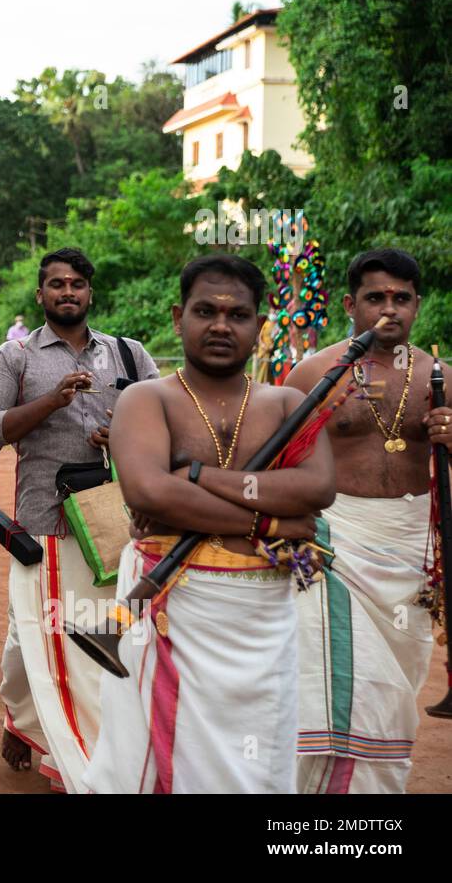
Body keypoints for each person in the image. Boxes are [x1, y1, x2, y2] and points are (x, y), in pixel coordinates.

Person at [84, 254, 335, 793]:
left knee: (260, 759)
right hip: (173, 602)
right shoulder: (146, 398)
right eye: (205, 311)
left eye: (238, 314)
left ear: (259, 326)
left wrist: (196, 477)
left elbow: (316, 489)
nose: (221, 325)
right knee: (150, 757)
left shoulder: (287, 402)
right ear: (178, 317)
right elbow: (148, 490)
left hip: (264, 617)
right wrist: (274, 523)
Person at [0, 247, 158, 793]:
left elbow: (166, 420)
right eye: (57, 284)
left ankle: (68, 751)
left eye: (77, 283)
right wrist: (50, 403)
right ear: (40, 295)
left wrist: (120, 436)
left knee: (91, 639)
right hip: (45, 520)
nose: (68, 292)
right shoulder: (16, 358)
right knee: (37, 634)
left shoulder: (129, 355)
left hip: (116, 521)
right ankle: (34, 725)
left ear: (90, 293)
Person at [287, 248, 440, 793]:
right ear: (350, 304)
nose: (389, 309)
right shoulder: (314, 372)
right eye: (375, 297)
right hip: (333, 542)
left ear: (418, 305)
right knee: (327, 683)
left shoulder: (438, 375)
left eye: (401, 298)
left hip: (408, 549)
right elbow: (280, 461)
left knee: (393, 690)